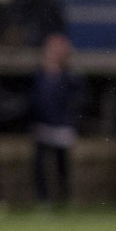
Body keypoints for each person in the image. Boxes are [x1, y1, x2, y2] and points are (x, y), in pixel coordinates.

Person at [31, 33, 84, 208]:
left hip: (61, 127)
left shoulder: (70, 77)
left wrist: (71, 123)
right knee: (40, 166)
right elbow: (35, 101)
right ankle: (43, 199)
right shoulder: (40, 75)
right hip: (43, 126)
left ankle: (64, 198)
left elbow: (75, 102)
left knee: (62, 166)